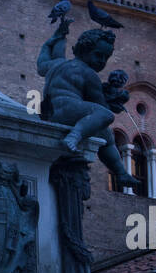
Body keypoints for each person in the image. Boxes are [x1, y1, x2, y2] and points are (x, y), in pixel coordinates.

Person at [37, 17, 141, 190]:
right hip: (65, 109)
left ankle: (121, 173)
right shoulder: (89, 74)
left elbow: (41, 64)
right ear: (84, 50)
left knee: (106, 136)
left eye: (105, 57)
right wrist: (113, 101)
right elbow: (100, 107)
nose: (101, 61)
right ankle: (74, 136)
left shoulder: (57, 63)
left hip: (48, 111)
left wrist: (52, 40)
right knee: (105, 116)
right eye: (98, 55)